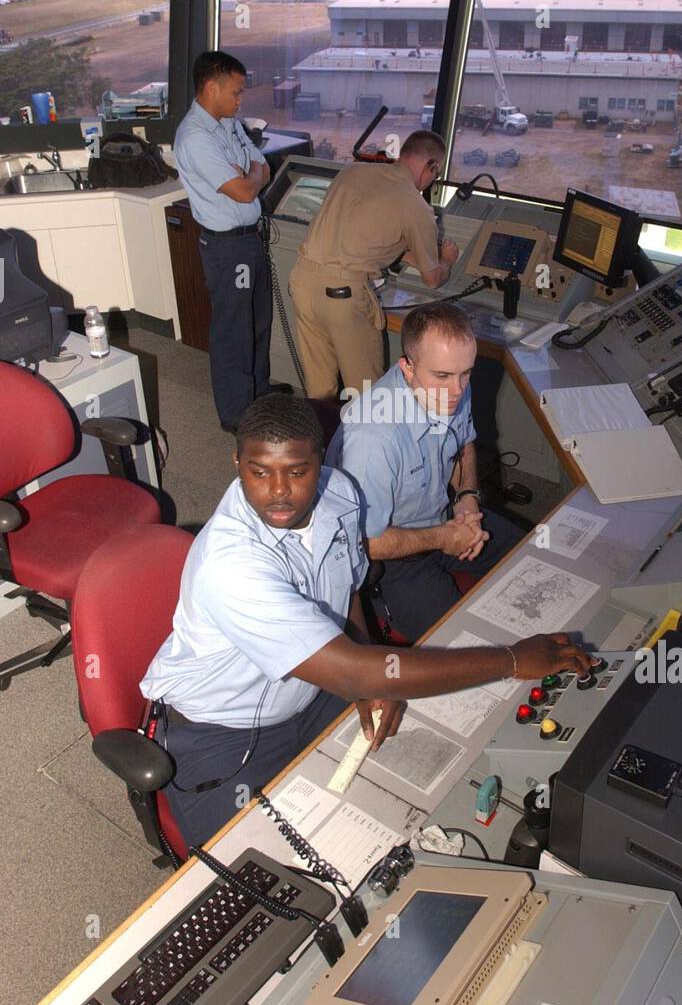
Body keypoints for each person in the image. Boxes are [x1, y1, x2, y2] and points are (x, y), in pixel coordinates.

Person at [140, 396, 594, 847]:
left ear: (321, 461)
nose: (279, 491)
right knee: (264, 873)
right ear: (237, 462)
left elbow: (347, 586)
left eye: (297, 472)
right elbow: (352, 669)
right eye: (259, 472)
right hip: (222, 732)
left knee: (413, 793)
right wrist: (512, 659)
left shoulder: (338, 492)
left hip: (312, 691)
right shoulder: (231, 564)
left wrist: (370, 670)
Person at [327, 302, 525, 642]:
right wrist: (445, 538)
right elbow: (366, 542)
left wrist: (467, 498)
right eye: (444, 376)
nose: (458, 390)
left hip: (445, 518)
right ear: (407, 367)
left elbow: (464, 444)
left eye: (467, 373)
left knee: (536, 556)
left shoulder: (452, 381)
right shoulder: (374, 437)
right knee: (462, 648)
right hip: (392, 557)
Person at [288, 130, 459, 400]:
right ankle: (362, 441)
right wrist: (447, 260)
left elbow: (364, 237)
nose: (430, 182)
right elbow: (432, 279)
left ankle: (321, 439)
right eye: (434, 176)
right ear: (432, 166)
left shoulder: (352, 172)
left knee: (319, 388)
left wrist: (404, 250)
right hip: (342, 296)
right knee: (366, 394)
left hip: (302, 280)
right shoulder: (416, 207)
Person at [174, 50, 286, 434]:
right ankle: (238, 414)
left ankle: (259, 394)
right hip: (227, 247)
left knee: (257, 322)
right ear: (211, 87)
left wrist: (251, 176)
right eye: (235, 93)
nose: (240, 101)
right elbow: (242, 190)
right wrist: (250, 179)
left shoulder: (228, 125)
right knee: (233, 331)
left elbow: (263, 167)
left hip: (249, 241)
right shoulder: (194, 137)